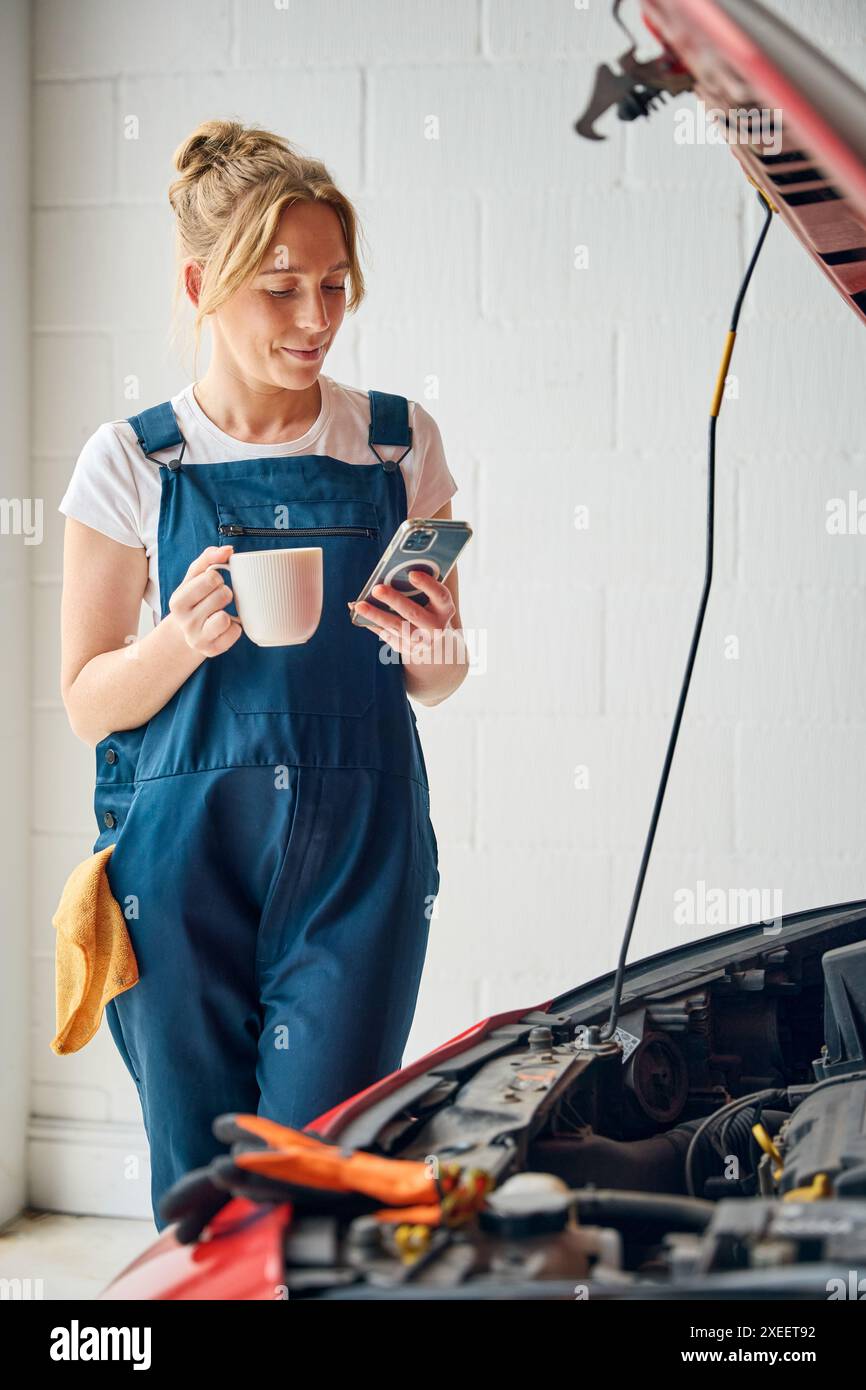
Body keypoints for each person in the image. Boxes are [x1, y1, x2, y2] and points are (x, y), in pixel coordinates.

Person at [58, 118, 469, 1232]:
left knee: (319, 1168)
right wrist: (174, 643)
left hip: (361, 850)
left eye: (336, 285)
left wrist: (433, 648)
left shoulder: (394, 444)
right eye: (281, 290)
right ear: (201, 284)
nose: (317, 319)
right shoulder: (134, 461)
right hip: (176, 859)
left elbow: (432, 678)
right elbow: (88, 694)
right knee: (203, 1194)